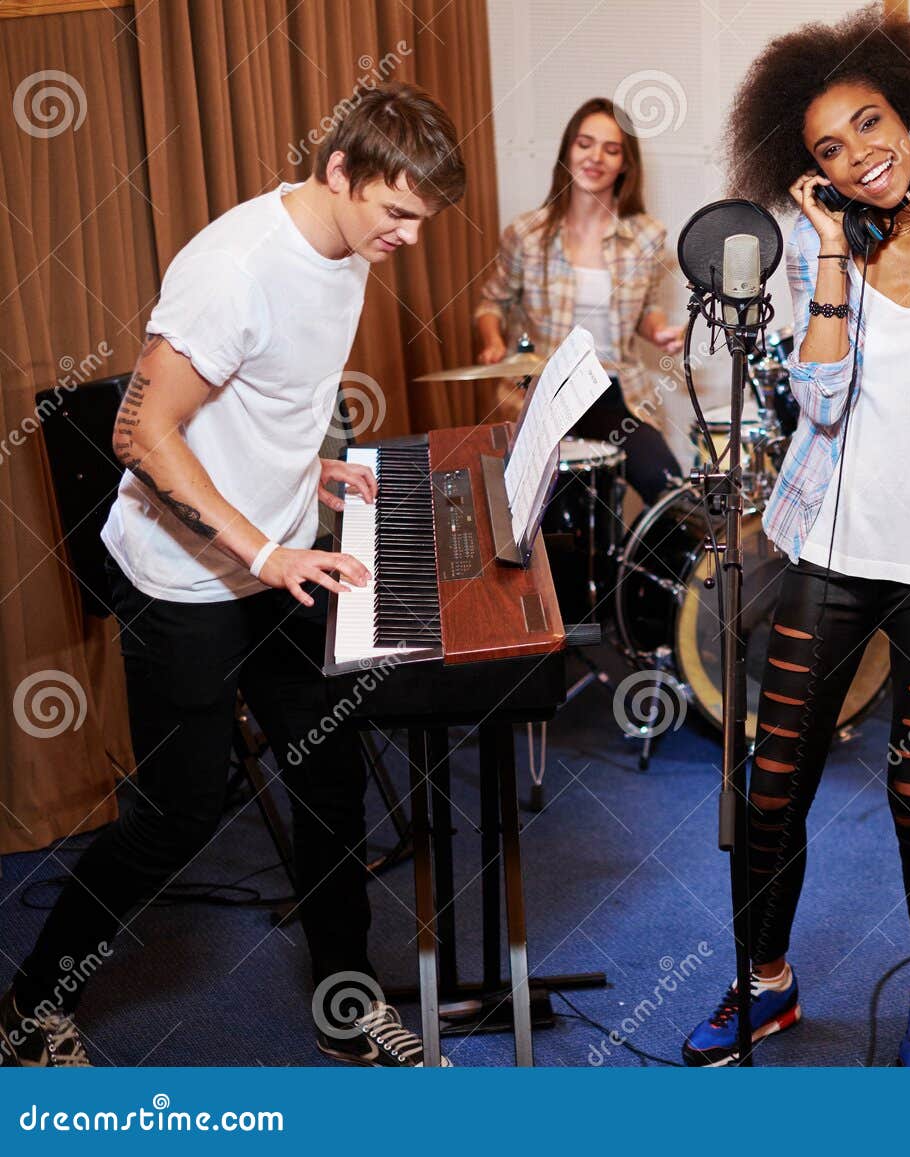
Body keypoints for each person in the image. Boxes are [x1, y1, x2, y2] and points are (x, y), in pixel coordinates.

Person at [0, 83, 465, 1067]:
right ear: (339, 171)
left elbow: (267, 397)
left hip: (276, 558)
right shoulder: (237, 266)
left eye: (422, 221)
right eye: (397, 214)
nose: (409, 239)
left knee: (331, 778)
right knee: (177, 816)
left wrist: (309, 466)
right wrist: (262, 548)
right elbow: (139, 431)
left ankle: (346, 1008)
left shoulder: (349, 244)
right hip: (185, 582)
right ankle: (27, 1004)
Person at [678, 8, 910, 1068]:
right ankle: (768, 982)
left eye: (870, 123)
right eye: (828, 149)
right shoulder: (808, 244)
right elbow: (822, 398)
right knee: (770, 779)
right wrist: (835, 254)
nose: (858, 155)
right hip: (834, 552)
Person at [475, 97, 685, 504]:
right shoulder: (526, 234)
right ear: (568, 150)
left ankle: (635, 568)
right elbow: (491, 303)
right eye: (585, 143)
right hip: (542, 393)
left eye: (611, 149)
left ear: (625, 163)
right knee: (547, 509)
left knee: (669, 492)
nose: (596, 157)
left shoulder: (647, 235)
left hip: (614, 391)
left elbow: (646, 308)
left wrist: (659, 331)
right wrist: (492, 340)